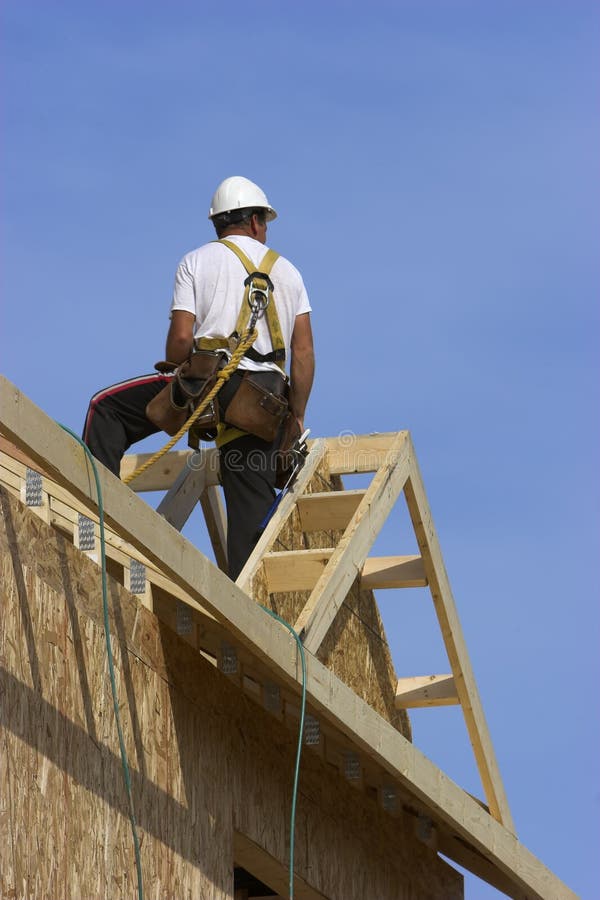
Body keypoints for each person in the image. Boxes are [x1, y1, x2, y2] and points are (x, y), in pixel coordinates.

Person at [83, 176, 315, 580]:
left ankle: (93, 522)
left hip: (205, 390)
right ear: (257, 222)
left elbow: (180, 342)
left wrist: (179, 365)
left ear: (218, 225)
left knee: (107, 410)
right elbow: (303, 352)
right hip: (263, 407)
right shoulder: (290, 273)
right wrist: (294, 417)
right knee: (250, 527)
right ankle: (251, 619)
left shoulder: (196, 261)